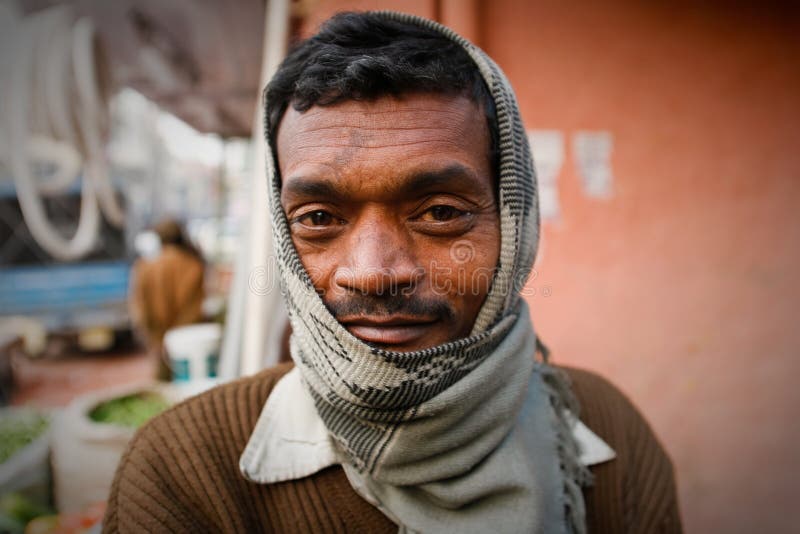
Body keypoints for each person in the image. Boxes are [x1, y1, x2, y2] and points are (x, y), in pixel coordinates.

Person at [104, 12, 681, 533]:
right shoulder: (185, 475)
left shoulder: (610, 436)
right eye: (320, 218)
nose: (375, 273)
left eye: (440, 213)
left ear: (515, 224)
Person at [128, 218, 206, 380]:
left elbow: (140, 311)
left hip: (159, 343)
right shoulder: (193, 265)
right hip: (188, 343)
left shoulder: (145, 267)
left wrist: (155, 339)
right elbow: (195, 310)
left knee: (164, 388)